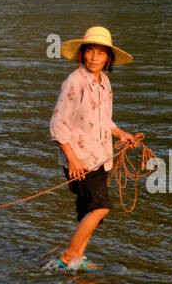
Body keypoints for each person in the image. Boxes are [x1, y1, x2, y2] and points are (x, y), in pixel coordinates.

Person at [50, 25, 143, 271]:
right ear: (83, 54)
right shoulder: (74, 81)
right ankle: (70, 256)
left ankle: (77, 258)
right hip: (80, 160)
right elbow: (58, 124)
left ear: (108, 58)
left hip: (101, 156)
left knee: (89, 211)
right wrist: (72, 160)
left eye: (100, 53)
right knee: (100, 207)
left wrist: (122, 134)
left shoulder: (104, 81)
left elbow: (104, 121)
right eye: (90, 52)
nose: (94, 58)